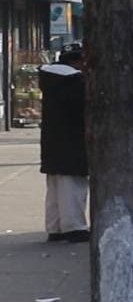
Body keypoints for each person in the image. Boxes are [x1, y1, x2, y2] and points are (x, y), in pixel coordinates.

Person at [40, 45, 89, 243]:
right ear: (77, 61)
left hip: (52, 140)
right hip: (73, 140)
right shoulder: (75, 82)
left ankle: (55, 226)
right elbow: (81, 111)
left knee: (55, 186)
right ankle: (73, 227)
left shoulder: (51, 79)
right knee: (73, 186)